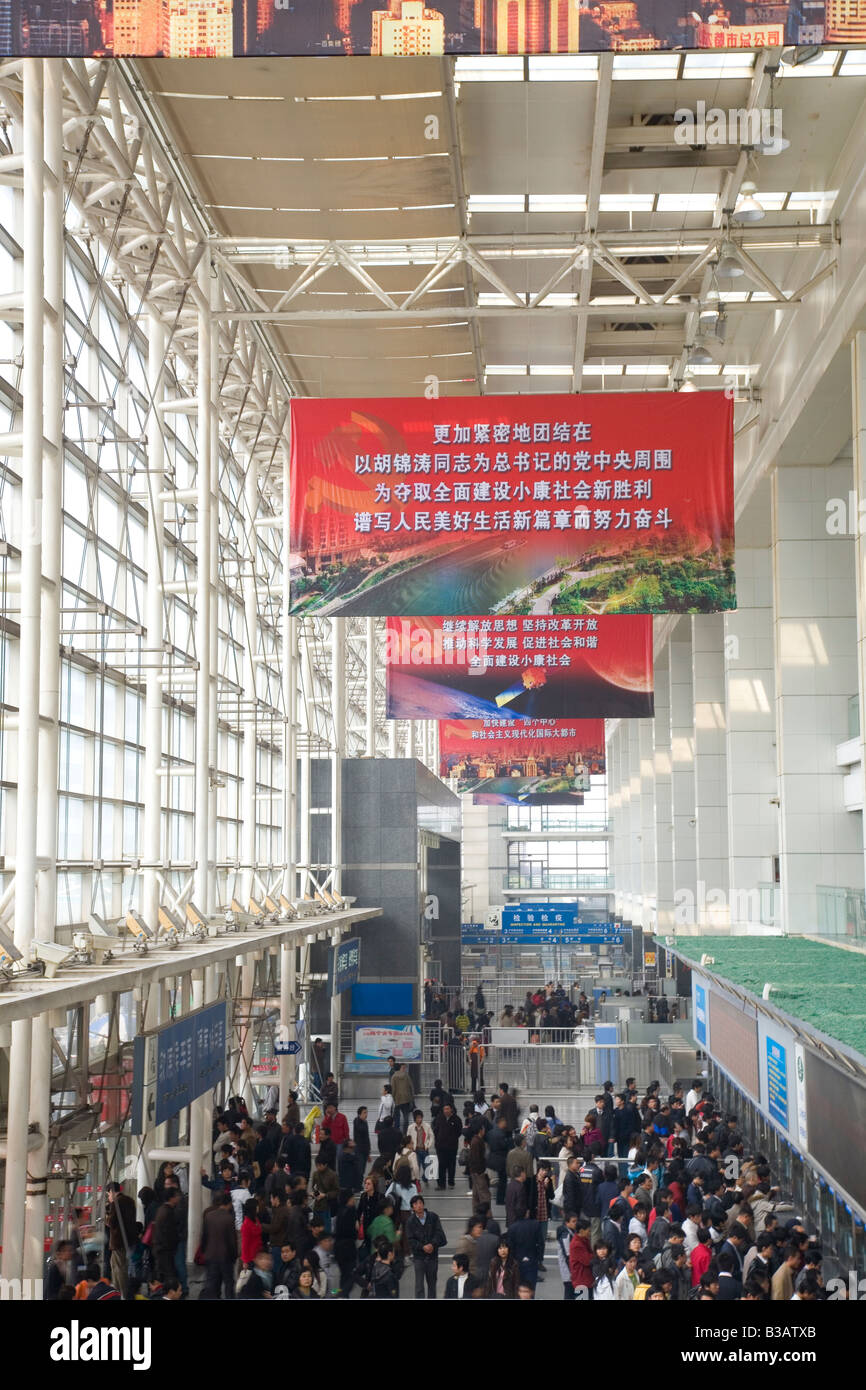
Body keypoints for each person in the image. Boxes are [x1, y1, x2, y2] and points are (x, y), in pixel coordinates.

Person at [406, 1194, 447, 1300]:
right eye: (415, 1204)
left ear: (423, 1204)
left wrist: (432, 1244)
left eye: (420, 1203)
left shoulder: (433, 1217)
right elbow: (410, 1240)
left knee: (432, 1284)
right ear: (412, 1207)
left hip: (432, 1256)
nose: (419, 1205)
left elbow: (439, 1234)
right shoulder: (410, 1221)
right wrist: (422, 1247)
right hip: (419, 1257)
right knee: (419, 1285)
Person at [199, 1191, 238, 1300]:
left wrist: (204, 1251)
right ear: (229, 1203)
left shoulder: (208, 1216)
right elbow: (232, 1242)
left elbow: (204, 1236)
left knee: (212, 1286)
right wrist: (234, 1256)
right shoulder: (229, 1218)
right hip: (225, 1257)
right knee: (229, 1285)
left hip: (210, 1256)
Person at [105, 1182, 136, 1300]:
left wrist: (106, 1218)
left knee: (119, 1268)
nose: (109, 1197)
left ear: (112, 1192)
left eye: (108, 1194)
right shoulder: (129, 1200)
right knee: (118, 1265)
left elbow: (112, 1222)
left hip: (118, 1240)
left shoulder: (116, 1203)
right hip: (129, 1238)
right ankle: (118, 1292)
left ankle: (121, 1293)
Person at [151, 1189, 181, 1286]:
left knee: (163, 1273)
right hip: (164, 1249)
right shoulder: (168, 1212)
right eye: (176, 1196)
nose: (178, 1198)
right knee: (169, 1275)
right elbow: (169, 1233)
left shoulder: (162, 1209)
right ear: (172, 1198)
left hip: (160, 1247)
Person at [433, 1102, 462, 1190]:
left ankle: (451, 1182)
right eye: (444, 1109)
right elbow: (435, 1130)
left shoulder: (456, 1119)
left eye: (447, 1109)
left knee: (451, 1165)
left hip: (452, 1147)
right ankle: (441, 1184)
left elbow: (459, 1131)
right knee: (441, 1165)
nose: (446, 1111)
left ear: (451, 1109)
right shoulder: (439, 1118)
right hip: (440, 1146)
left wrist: (452, 1139)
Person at [569, 1217, 594, 1299]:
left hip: (586, 1279)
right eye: (588, 1230)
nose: (589, 1233)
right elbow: (587, 1260)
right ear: (581, 1231)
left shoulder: (584, 1240)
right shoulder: (577, 1244)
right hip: (581, 1280)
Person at [391, 1063, 415, 1134]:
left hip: (397, 1099)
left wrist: (393, 1098)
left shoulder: (394, 1077)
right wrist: (411, 1097)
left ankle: (397, 1131)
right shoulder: (406, 1075)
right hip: (406, 1098)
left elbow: (393, 1089)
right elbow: (411, 1086)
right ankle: (405, 1131)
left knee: (396, 1116)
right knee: (406, 1116)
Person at [353, 1106, 371, 1173]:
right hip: (359, 1150)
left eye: (366, 1112)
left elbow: (367, 1137)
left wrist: (368, 1152)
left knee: (363, 1170)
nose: (366, 1114)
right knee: (359, 1169)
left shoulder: (365, 1122)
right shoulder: (357, 1121)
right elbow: (360, 1129)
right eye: (364, 1113)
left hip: (365, 1150)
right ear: (359, 1114)